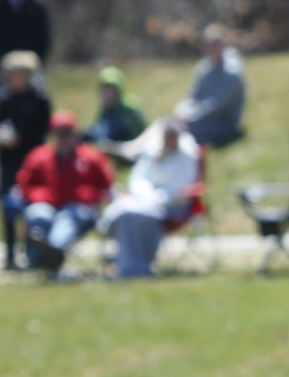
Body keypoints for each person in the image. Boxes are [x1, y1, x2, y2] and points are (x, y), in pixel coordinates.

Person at [99, 118, 199, 278]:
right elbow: (139, 177)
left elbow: (182, 186)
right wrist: (145, 196)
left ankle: (140, 264)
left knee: (144, 216)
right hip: (143, 199)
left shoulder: (187, 154)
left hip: (172, 205)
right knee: (124, 213)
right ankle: (124, 261)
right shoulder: (153, 149)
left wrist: (156, 199)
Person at [16, 110, 114, 275]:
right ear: (52, 135)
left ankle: (53, 253)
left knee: (67, 218)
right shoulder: (39, 157)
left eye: (67, 133)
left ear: (75, 133)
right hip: (48, 206)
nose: (64, 138)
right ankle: (37, 259)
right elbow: (24, 185)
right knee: (38, 214)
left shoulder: (90, 156)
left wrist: (87, 195)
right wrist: (42, 197)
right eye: (59, 134)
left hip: (79, 209)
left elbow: (106, 186)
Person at [0, 49, 53, 269]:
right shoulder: (4, 99)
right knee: (9, 207)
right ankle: (11, 254)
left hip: (34, 161)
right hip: (9, 160)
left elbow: (42, 131)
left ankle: (34, 253)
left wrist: (21, 137)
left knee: (33, 207)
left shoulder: (39, 99)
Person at [172, 24, 247, 149]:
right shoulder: (203, 68)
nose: (212, 48)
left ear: (223, 45)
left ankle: (139, 153)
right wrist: (182, 110)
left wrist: (190, 115)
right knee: (166, 124)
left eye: (216, 44)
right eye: (209, 45)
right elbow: (192, 96)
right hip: (198, 118)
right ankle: (134, 149)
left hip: (222, 123)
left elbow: (216, 106)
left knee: (176, 130)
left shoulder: (231, 72)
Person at [85, 67, 148, 156]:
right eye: (105, 89)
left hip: (126, 145)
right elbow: (99, 125)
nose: (107, 93)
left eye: (111, 89)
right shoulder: (105, 107)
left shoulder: (130, 108)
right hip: (106, 142)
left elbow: (140, 132)